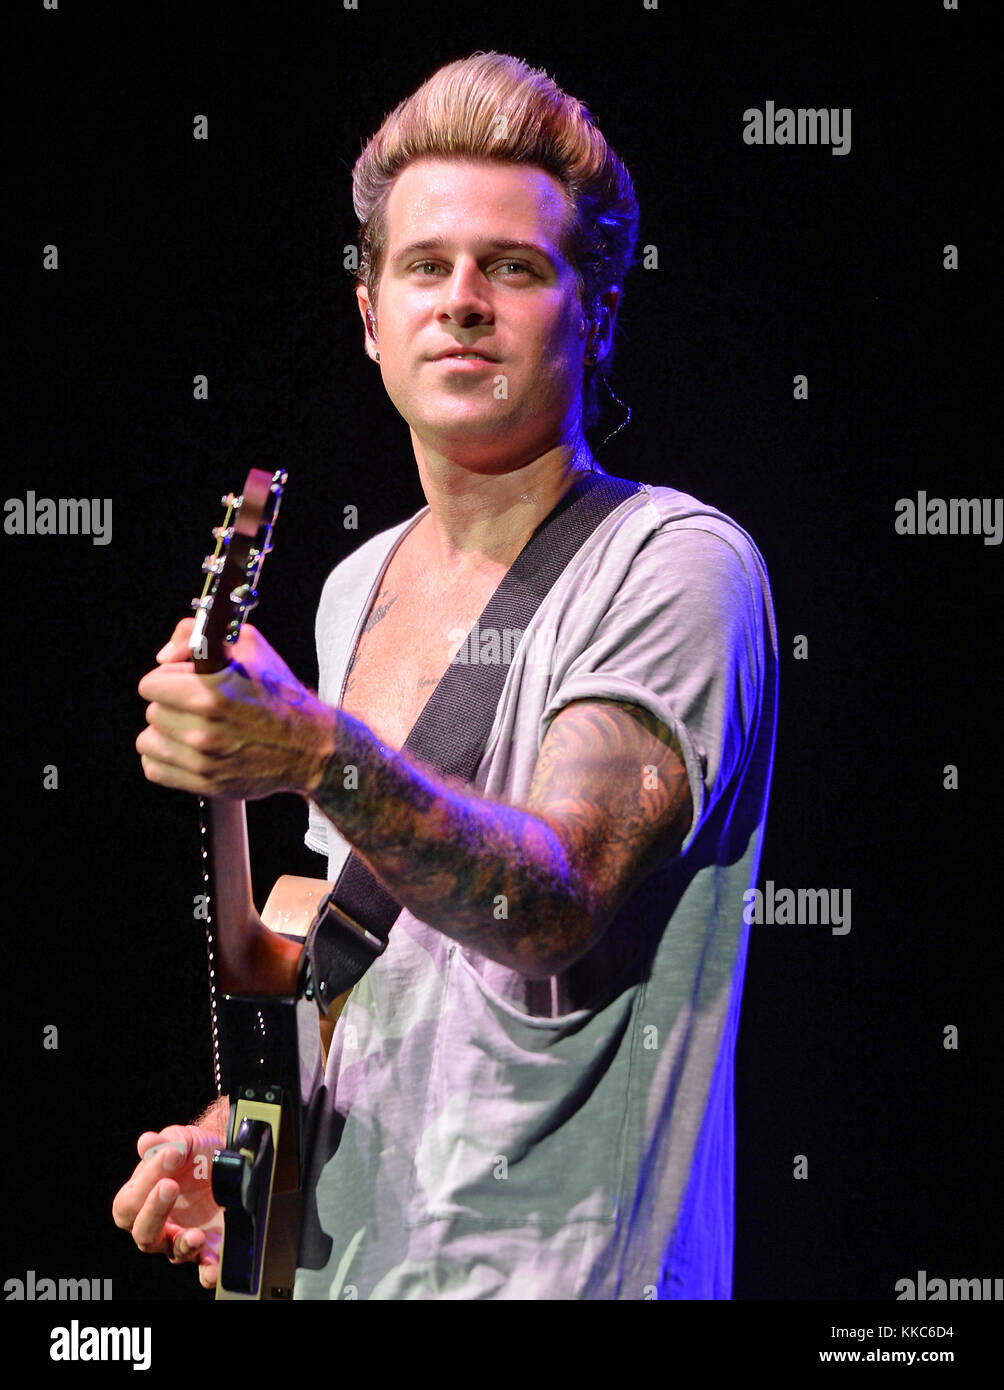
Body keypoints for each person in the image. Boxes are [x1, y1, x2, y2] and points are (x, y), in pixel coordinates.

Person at [113, 51, 778, 1300]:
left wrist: (313, 750)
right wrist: (245, 1138)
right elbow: (365, 941)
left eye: (512, 267)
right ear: (370, 318)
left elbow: (551, 900)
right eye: (424, 266)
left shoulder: (677, 566)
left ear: (595, 311)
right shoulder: (353, 585)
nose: (460, 299)